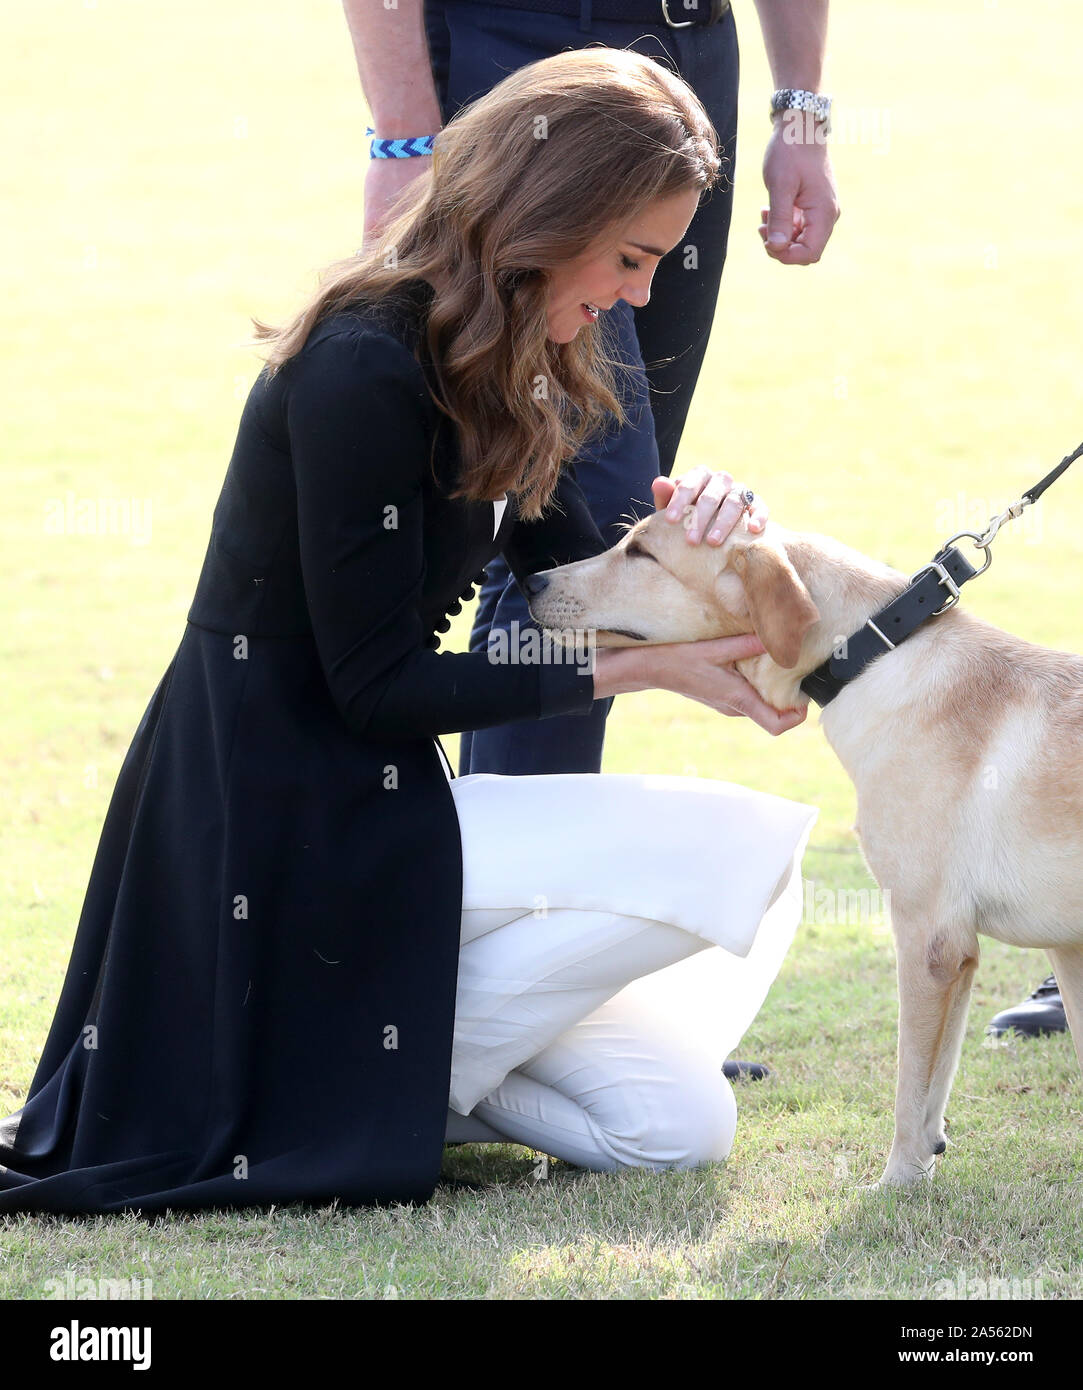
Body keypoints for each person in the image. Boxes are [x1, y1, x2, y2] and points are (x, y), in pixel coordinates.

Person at [0, 48, 815, 1214]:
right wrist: (652, 672)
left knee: (674, 1126)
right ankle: (315, 1067)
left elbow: (565, 578)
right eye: (631, 257)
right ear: (550, 211)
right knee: (745, 845)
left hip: (385, 805)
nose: (640, 294)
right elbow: (375, 689)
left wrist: (707, 528)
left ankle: (329, 1077)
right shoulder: (363, 363)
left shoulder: (525, 351)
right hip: (282, 819)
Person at [346, 0, 839, 778]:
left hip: (692, 60)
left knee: (586, 536)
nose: (634, 291)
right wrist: (404, 136)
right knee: (600, 526)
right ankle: (523, 876)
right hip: (513, 46)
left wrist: (802, 111)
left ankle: (514, 858)